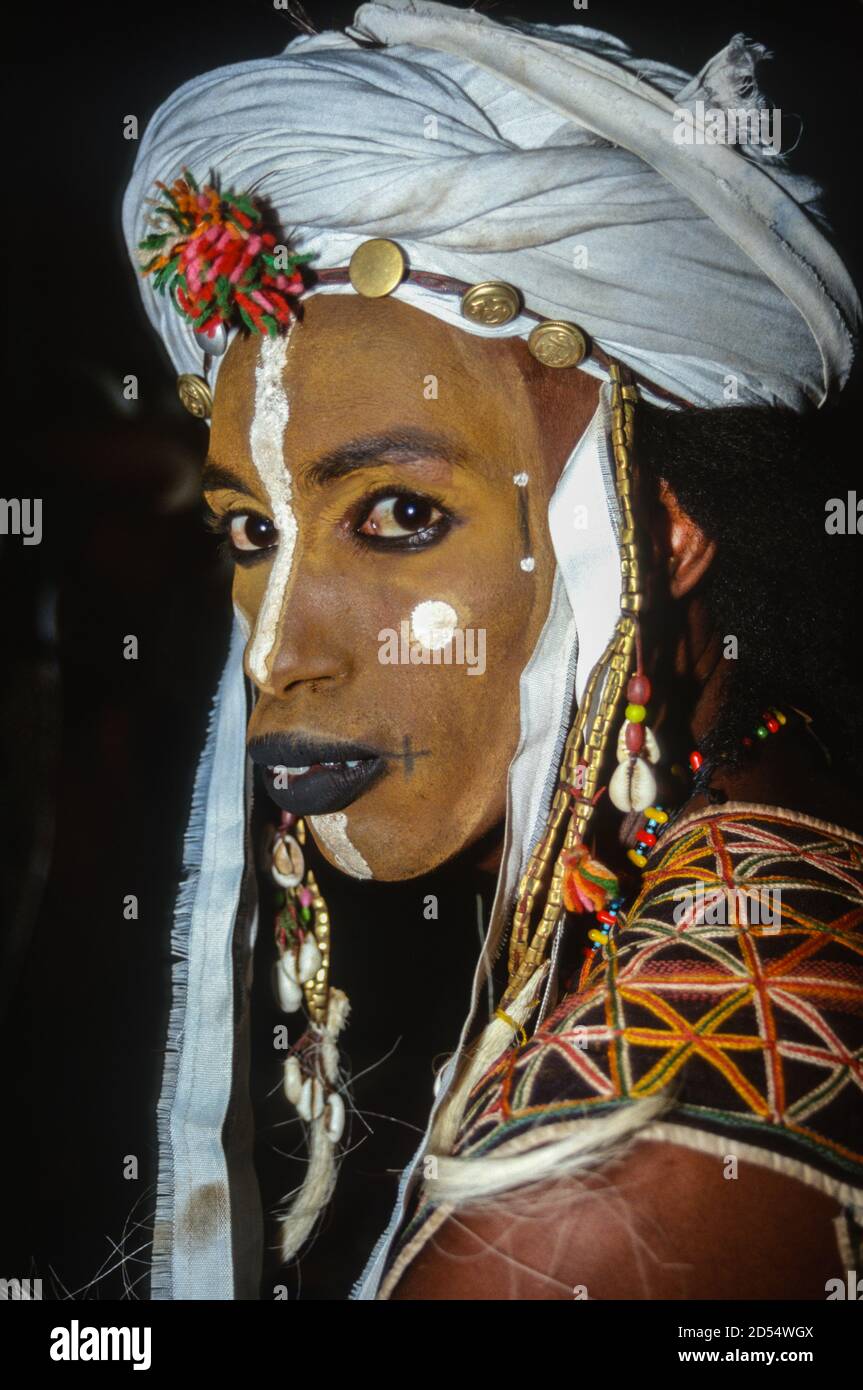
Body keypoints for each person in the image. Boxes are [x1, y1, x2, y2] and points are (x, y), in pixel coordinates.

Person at [122, 0, 863, 1300]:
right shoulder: (792, 847)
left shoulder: (596, 1206)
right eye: (252, 529)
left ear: (665, 532)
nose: (281, 655)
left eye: (400, 515)